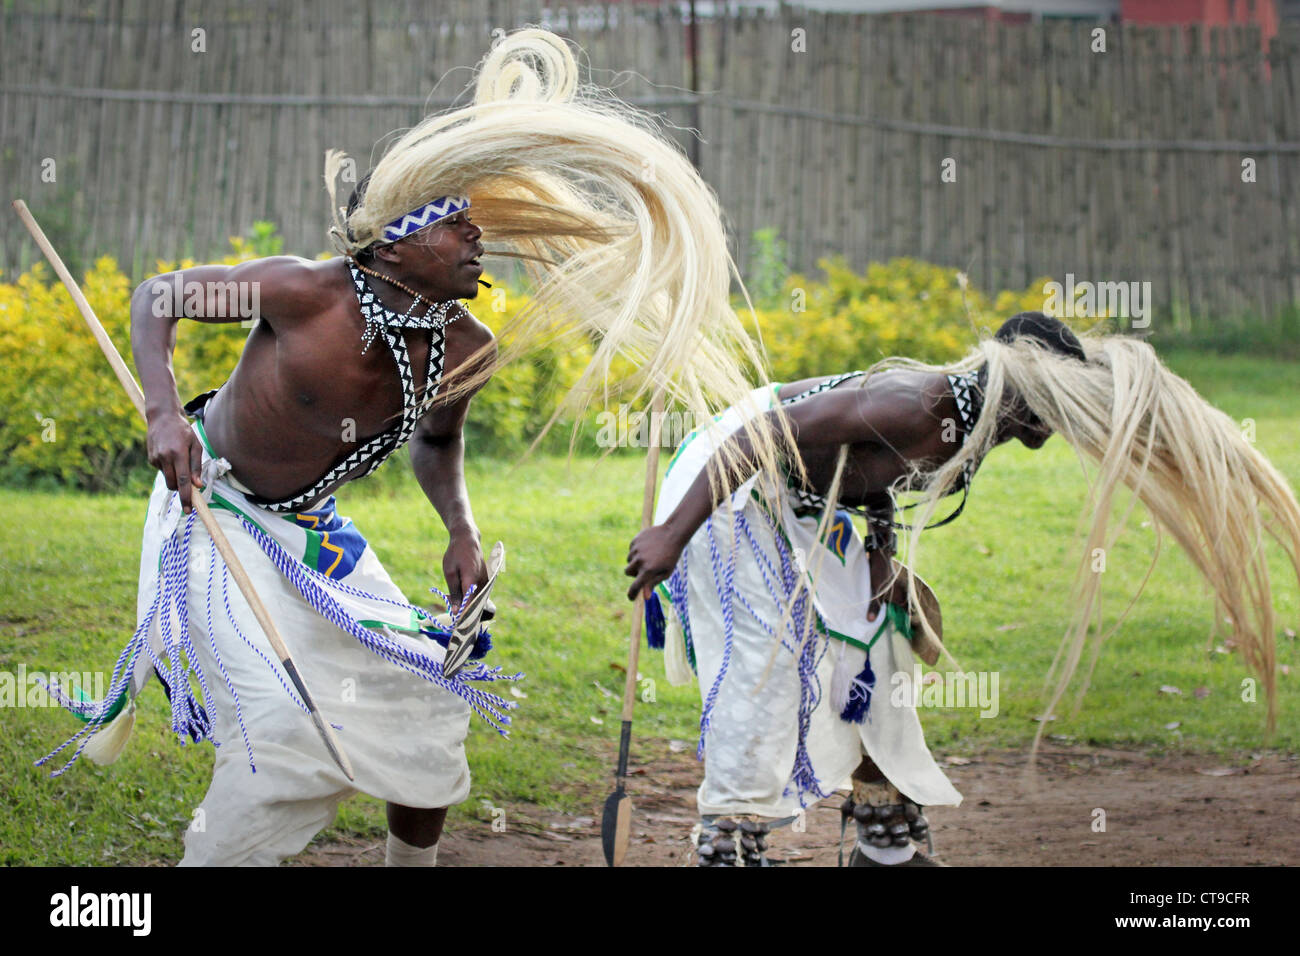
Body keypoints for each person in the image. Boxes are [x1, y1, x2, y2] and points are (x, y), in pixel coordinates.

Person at [38, 28, 784, 867]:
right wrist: (163, 413)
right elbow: (158, 296)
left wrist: (459, 531)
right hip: (210, 505)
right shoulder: (302, 291)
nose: (479, 241)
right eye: (457, 227)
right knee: (280, 728)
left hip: (308, 528)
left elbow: (437, 444)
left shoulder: (465, 345)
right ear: (397, 243)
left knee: (430, 694)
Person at [625, 313, 1300, 867]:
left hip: (802, 499)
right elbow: (767, 435)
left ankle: (882, 831)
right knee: (766, 656)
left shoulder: (972, 425)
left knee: (882, 643)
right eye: (1052, 412)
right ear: (1029, 400)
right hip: (731, 483)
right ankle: (727, 839)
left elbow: (870, 475)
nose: (1052, 429)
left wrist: (882, 557)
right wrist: (672, 536)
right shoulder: (919, 403)